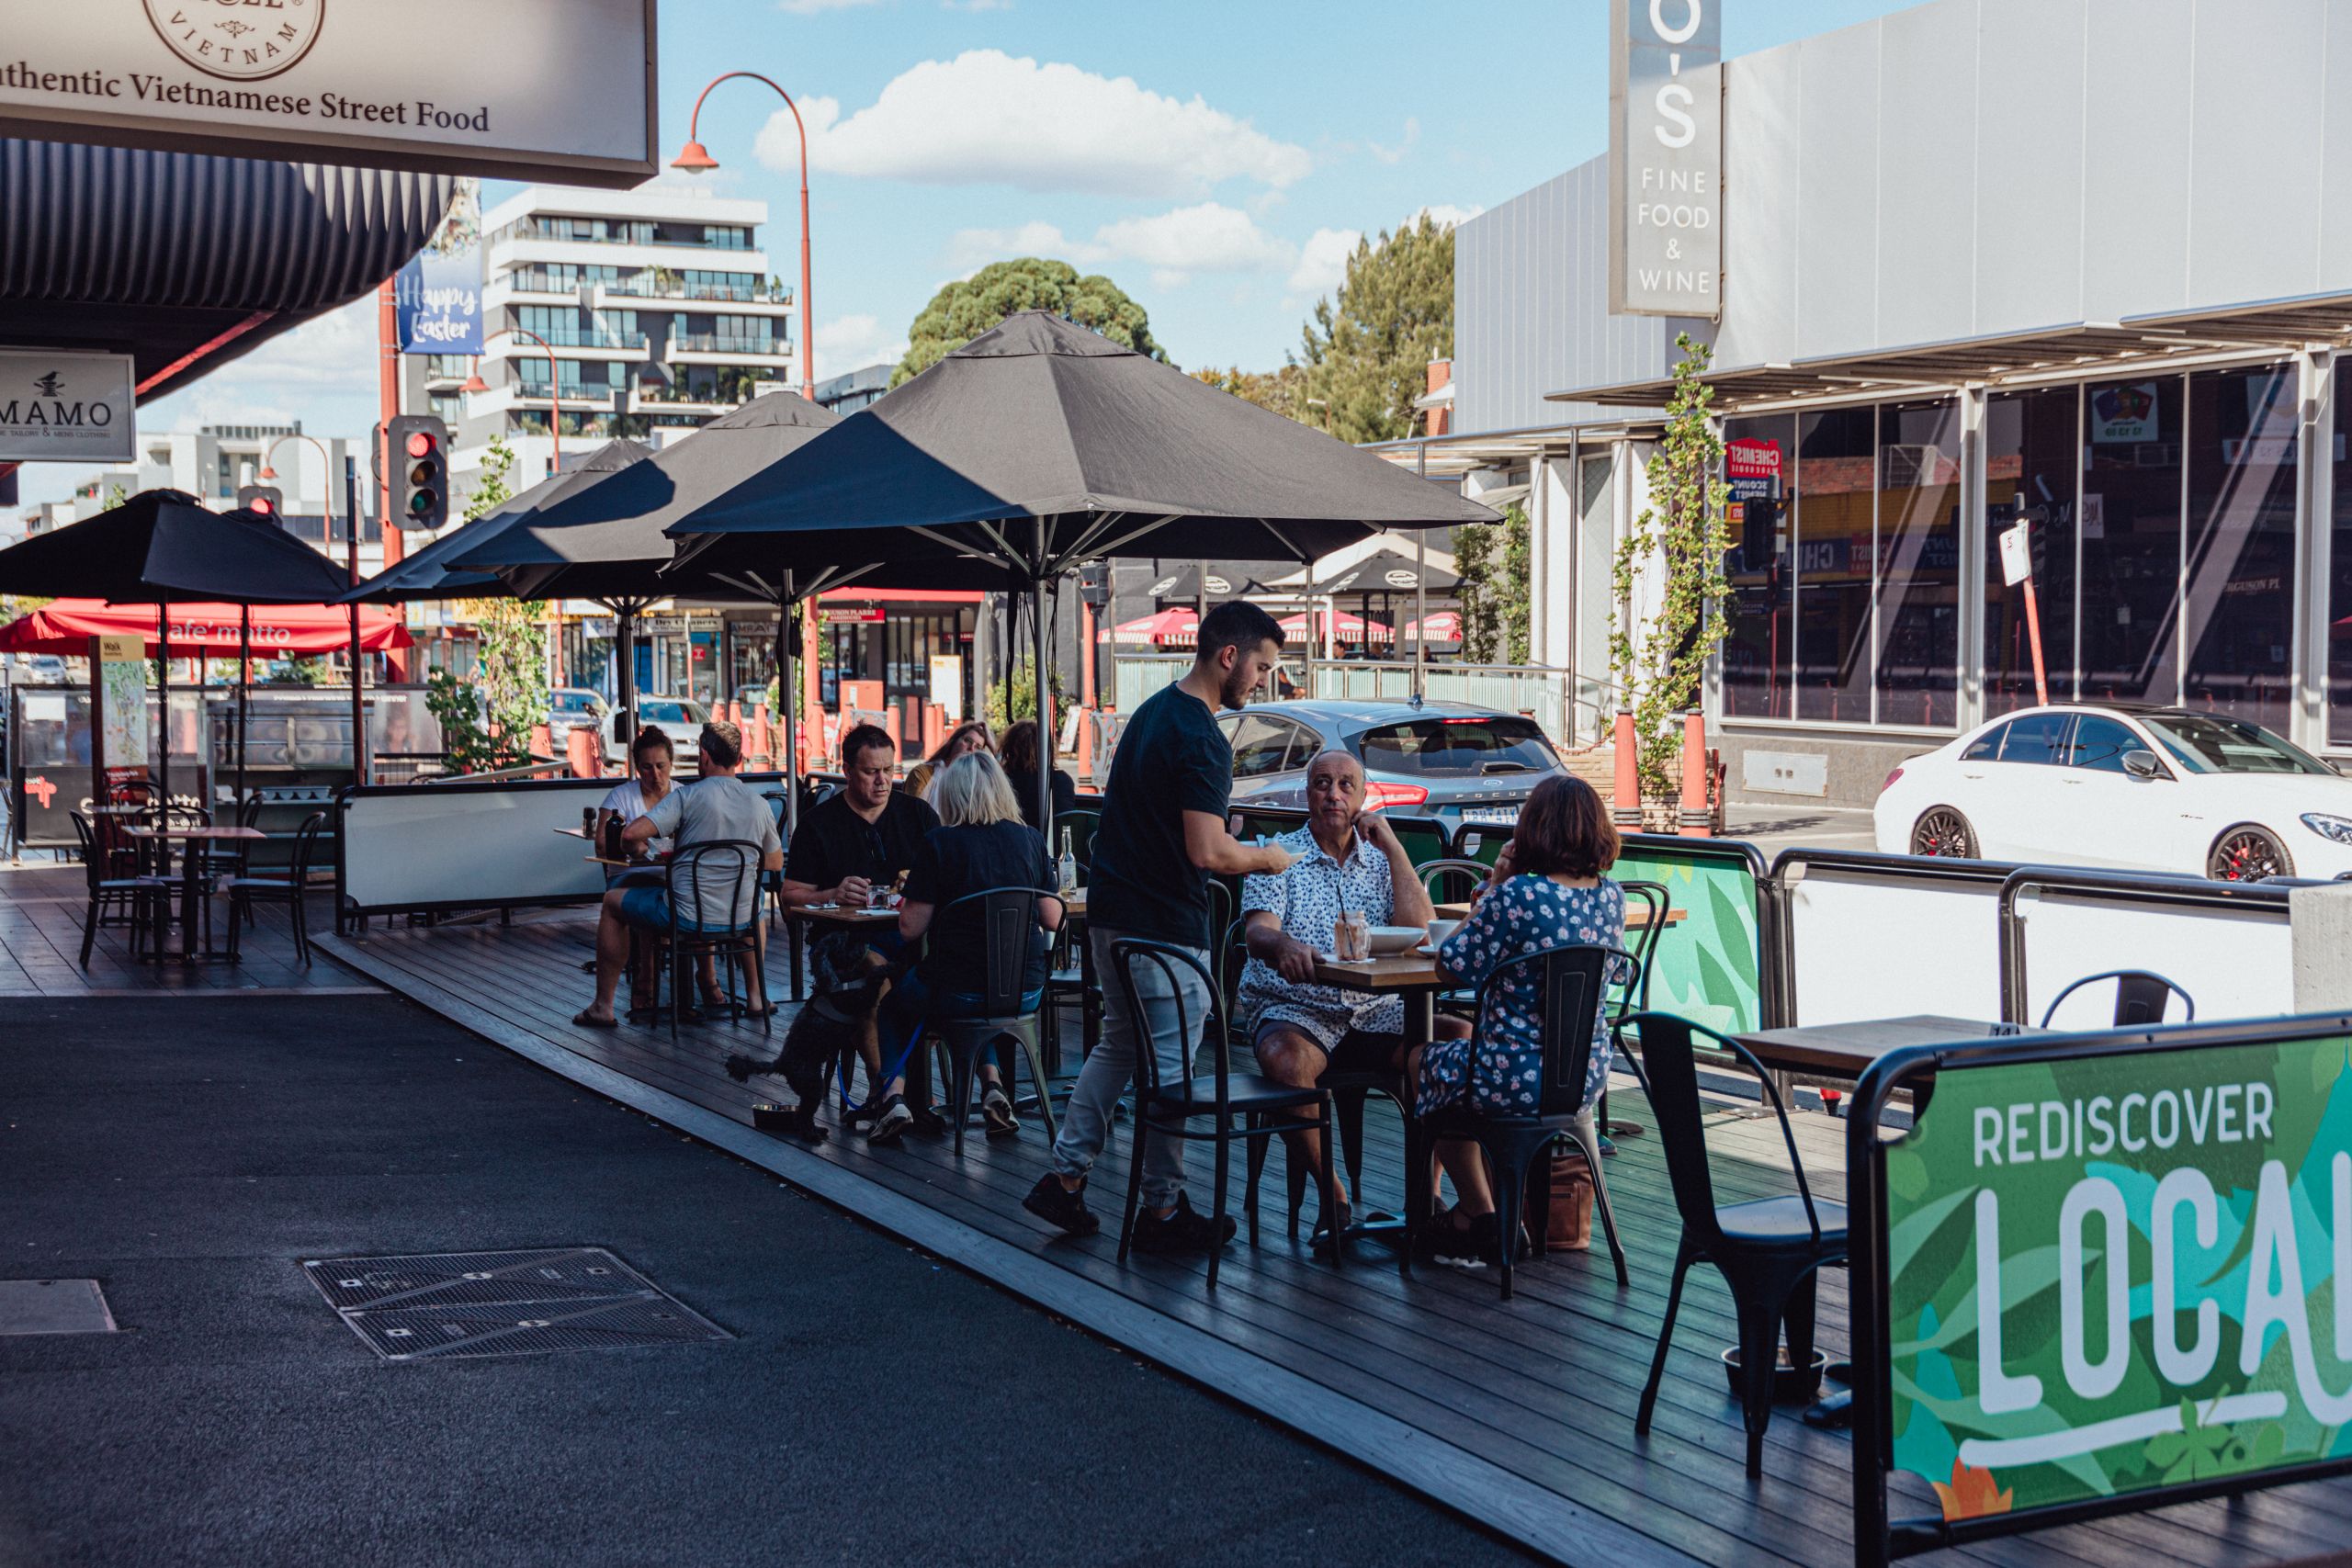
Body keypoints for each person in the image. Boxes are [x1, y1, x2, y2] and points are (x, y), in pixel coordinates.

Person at [1023, 600, 1295, 1252]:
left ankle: (1064, 1177)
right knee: (1170, 1075)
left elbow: (1165, 826)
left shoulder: (1149, 713)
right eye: (1261, 666)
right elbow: (1208, 853)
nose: (1263, 680)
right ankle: (1162, 1209)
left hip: (1113, 915)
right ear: (1229, 656)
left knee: (1117, 1047)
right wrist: (1267, 855)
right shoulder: (1202, 736)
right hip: (1165, 928)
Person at [1239, 748, 1456, 1240]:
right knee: (1286, 1061)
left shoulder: (1381, 863)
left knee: (1456, 1043)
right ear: (1306, 792)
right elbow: (1258, 933)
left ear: (1362, 797)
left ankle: (1427, 1189)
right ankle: (1333, 1195)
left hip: (1373, 1011)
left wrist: (1395, 848)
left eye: (1345, 784)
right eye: (1322, 783)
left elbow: (1422, 933)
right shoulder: (1278, 855)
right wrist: (1285, 944)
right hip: (1299, 1009)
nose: (1333, 793)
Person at [1415, 774, 1626, 1264]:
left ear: (1534, 828)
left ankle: (1476, 1214)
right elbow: (1613, 974)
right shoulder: (1611, 896)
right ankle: (1478, 1214)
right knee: (1451, 1062)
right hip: (1582, 1079)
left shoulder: (1518, 895)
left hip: (1510, 1080)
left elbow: (1452, 966)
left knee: (1423, 1061)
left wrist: (1495, 885)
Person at [863, 751, 1064, 1144]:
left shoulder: (940, 843)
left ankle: (893, 1098)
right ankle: (993, 1087)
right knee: (975, 1009)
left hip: (958, 991)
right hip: (1025, 991)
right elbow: (1053, 918)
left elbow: (909, 928)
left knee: (893, 1007)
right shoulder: (1030, 839)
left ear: (951, 795)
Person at [572, 720, 784, 1028]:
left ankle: (603, 1006)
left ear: (704, 756)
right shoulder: (759, 804)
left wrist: (646, 851)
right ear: (739, 759)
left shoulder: (687, 797)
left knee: (612, 903)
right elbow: (775, 862)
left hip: (684, 917)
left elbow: (630, 835)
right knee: (754, 900)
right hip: (739, 918)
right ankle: (755, 997)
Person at [779, 722, 939, 915]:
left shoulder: (919, 814)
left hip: (909, 935)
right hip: (842, 935)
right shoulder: (816, 824)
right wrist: (832, 895)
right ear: (847, 771)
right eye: (871, 772)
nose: (882, 780)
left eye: (888, 769)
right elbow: (788, 899)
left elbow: (947, 878)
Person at [596, 727, 676, 880]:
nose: (655, 774)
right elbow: (601, 845)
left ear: (671, 764)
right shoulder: (620, 796)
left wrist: (643, 843)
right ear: (638, 768)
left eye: (660, 766)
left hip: (673, 880)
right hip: (631, 878)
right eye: (647, 767)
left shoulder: (684, 794)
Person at [996, 718, 1076, 831]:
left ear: (1009, 749)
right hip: (1055, 845)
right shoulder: (1061, 781)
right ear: (1048, 749)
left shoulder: (1003, 782)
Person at [904, 719, 992, 802]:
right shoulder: (923, 774)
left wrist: (992, 745)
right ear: (954, 741)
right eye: (968, 741)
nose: (971, 749)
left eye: (978, 747)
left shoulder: (976, 782)